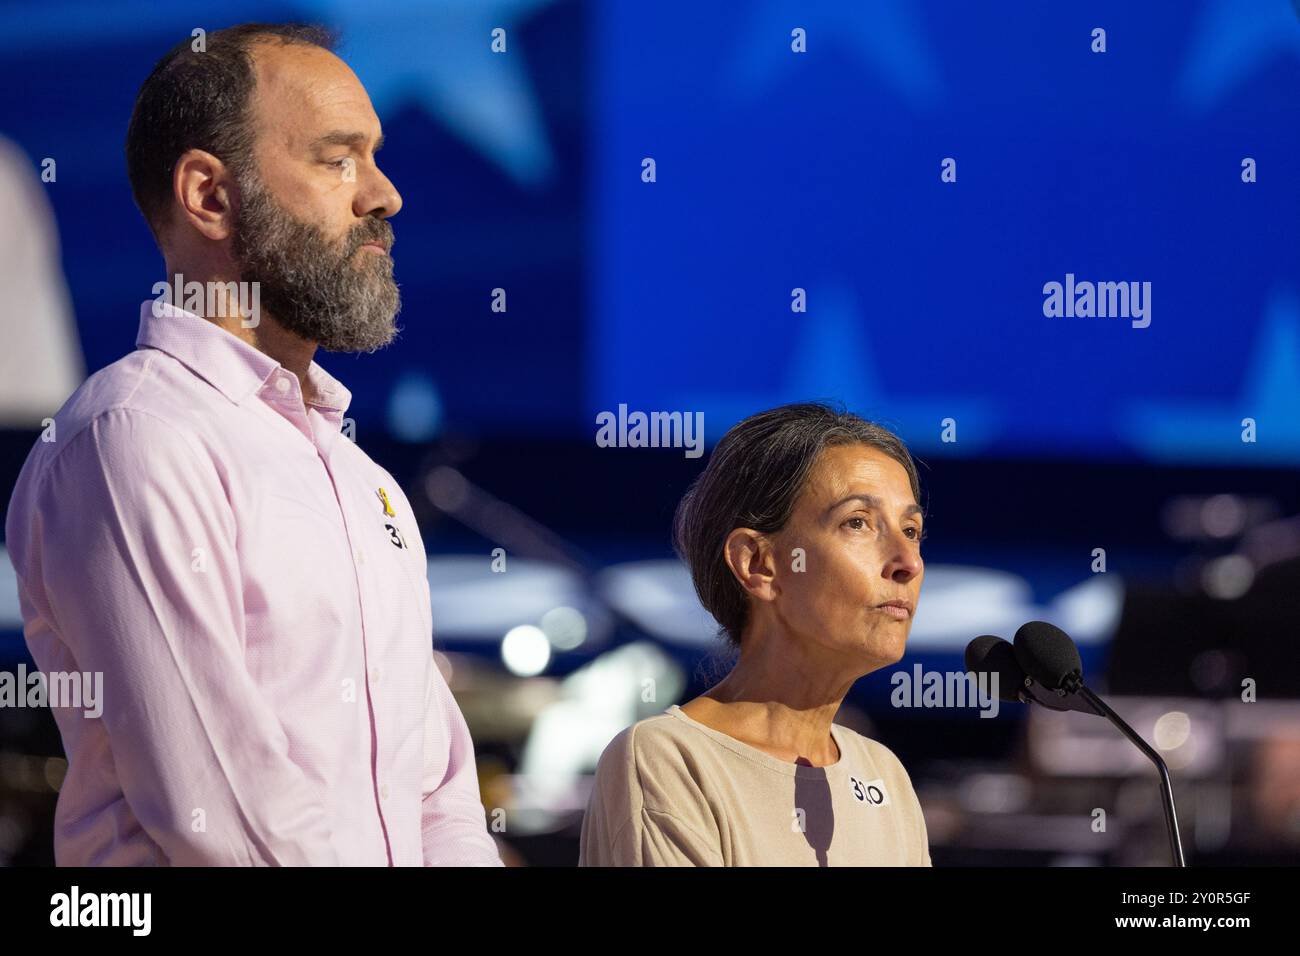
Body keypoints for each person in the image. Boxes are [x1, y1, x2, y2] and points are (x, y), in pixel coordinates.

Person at [4, 23, 500, 866]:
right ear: (209, 195)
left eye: (374, 157)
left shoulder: (361, 480)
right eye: (338, 159)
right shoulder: (135, 436)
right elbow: (225, 817)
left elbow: (442, 800)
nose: (384, 194)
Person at [580, 403, 932, 866]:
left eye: (911, 530)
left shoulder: (883, 774)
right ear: (759, 564)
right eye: (858, 523)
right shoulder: (670, 759)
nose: (907, 562)